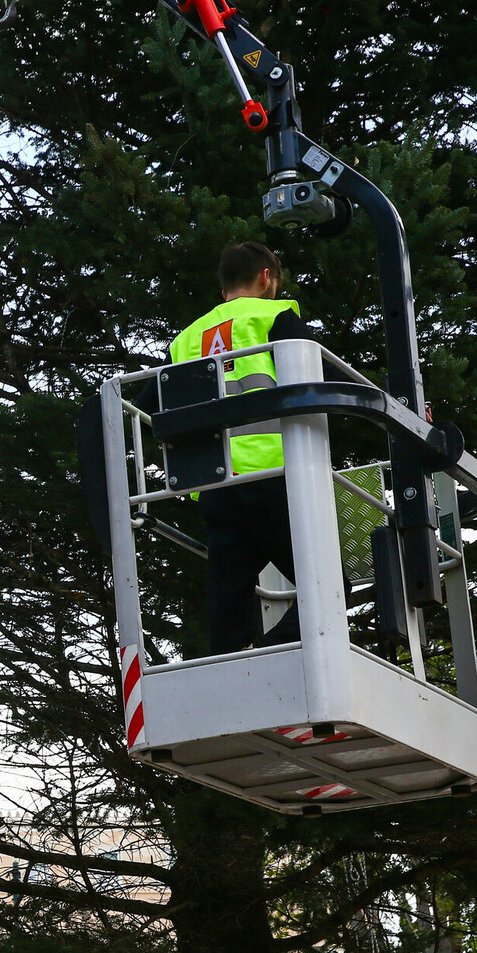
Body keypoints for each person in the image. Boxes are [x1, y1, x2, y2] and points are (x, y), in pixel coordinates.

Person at [167, 240, 312, 655]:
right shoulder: (274, 316)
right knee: (329, 586)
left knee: (227, 611)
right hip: (271, 474)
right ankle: (269, 651)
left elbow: (151, 406)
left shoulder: (186, 340)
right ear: (267, 278)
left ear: (224, 286)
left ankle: (232, 668)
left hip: (214, 484)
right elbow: (324, 379)